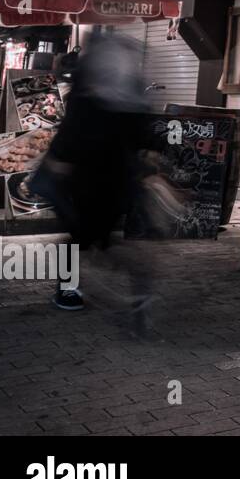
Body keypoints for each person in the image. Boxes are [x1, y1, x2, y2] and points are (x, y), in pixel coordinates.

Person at [33, 31, 151, 331]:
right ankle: (136, 284)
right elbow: (144, 134)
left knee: (81, 237)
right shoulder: (130, 92)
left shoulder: (89, 91)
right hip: (111, 178)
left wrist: (58, 161)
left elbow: (72, 131)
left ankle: (70, 288)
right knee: (99, 238)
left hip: (86, 177)